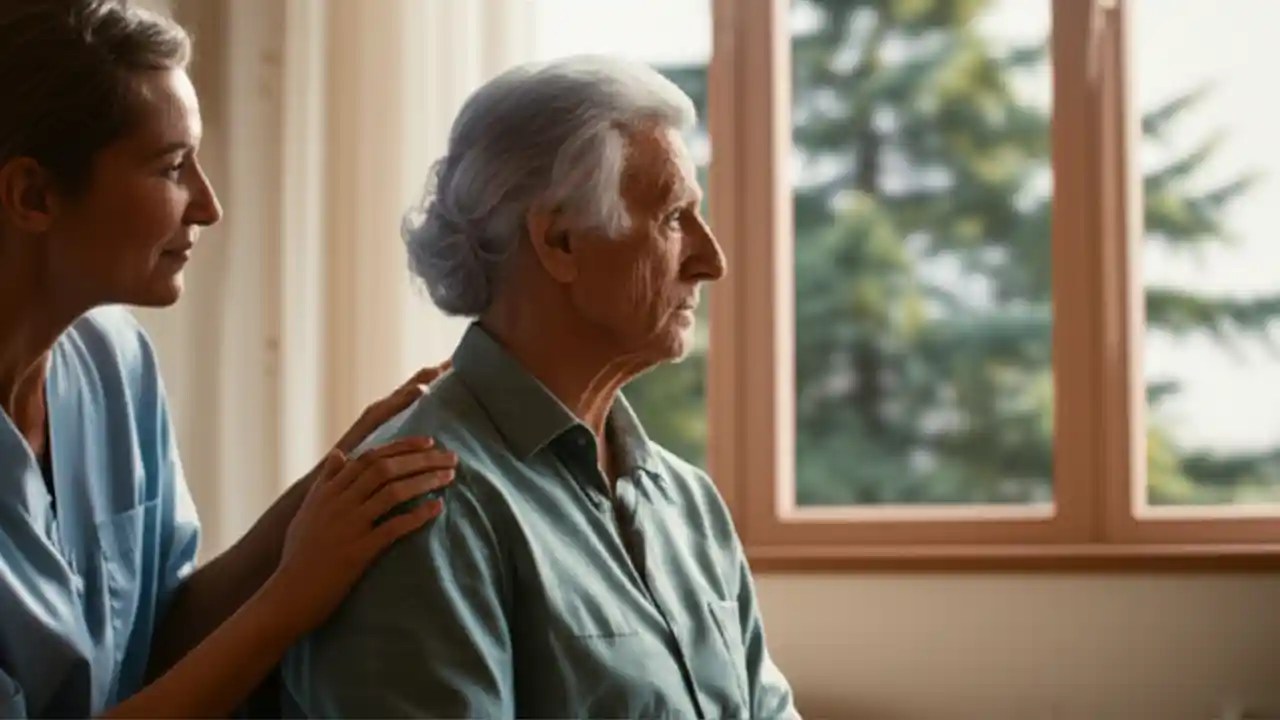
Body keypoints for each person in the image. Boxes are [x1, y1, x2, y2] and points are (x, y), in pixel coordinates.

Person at [283, 55, 798, 718]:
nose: (712, 260)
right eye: (673, 219)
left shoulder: (688, 505)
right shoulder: (421, 504)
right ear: (559, 239)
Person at [0, 1, 458, 716]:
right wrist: (290, 600)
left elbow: (160, 633)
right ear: (32, 193)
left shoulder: (116, 366)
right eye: (172, 167)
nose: (209, 206)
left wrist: (331, 482)